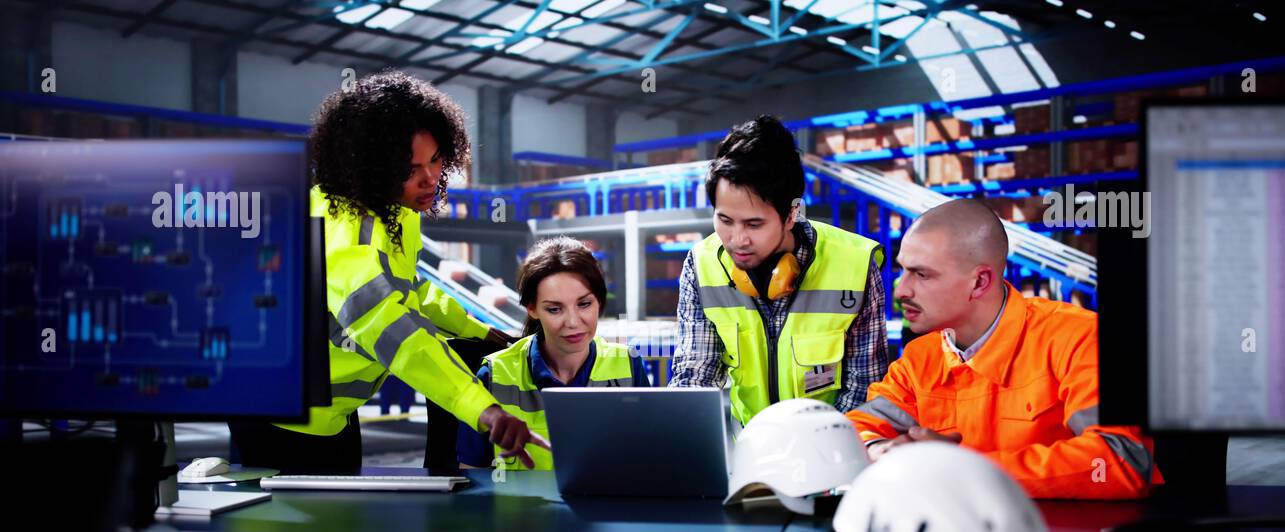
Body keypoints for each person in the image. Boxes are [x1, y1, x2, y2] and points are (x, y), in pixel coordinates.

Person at [229, 70, 546, 472]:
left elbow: (409, 290)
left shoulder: (393, 208)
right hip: (282, 419)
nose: (430, 178)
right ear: (371, 166)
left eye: (435, 159)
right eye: (410, 168)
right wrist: (484, 411)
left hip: (335, 412)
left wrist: (476, 330)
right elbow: (398, 333)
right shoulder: (346, 237)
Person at [846, 199, 1160, 499]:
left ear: (980, 282)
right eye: (903, 270)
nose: (901, 290)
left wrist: (967, 471)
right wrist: (879, 450)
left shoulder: (1077, 338)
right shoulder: (919, 361)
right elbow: (857, 429)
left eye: (922, 274)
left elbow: (1121, 460)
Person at [668, 115, 890, 427]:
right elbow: (694, 376)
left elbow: (864, 388)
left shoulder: (855, 265)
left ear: (791, 214)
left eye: (754, 224)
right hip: (751, 454)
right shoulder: (701, 264)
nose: (737, 240)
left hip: (831, 452)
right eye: (725, 220)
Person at [457, 237, 649, 470]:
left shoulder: (629, 366)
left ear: (599, 300)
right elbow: (472, 478)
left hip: (605, 507)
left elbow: (645, 464)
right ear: (532, 309)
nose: (572, 322)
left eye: (584, 304)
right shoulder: (494, 375)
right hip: (518, 507)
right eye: (554, 309)